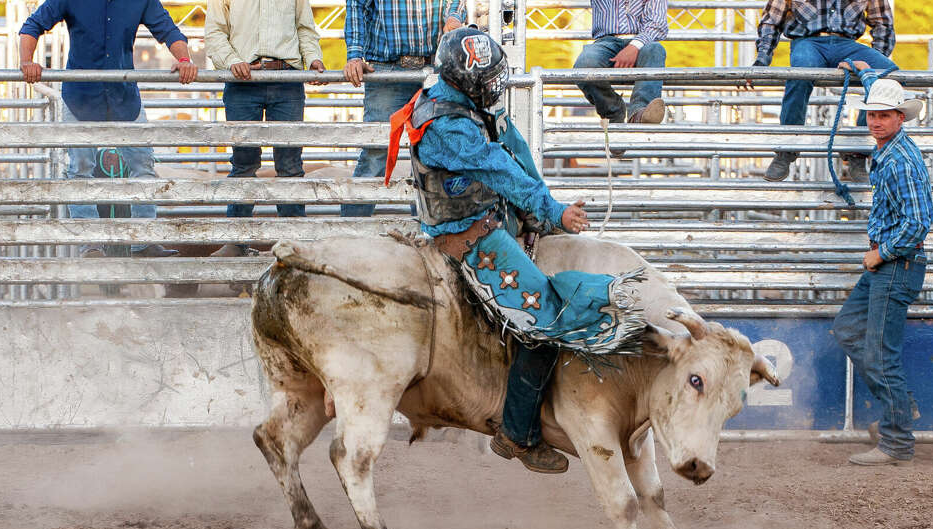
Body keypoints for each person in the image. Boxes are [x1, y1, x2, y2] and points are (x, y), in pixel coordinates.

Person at [386, 29, 646, 475]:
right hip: (469, 235)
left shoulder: (465, 104)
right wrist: (553, 210)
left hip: (489, 215)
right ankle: (518, 432)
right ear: (465, 80)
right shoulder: (448, 126)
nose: (493, 86)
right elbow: (499, 168)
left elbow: (515, 151)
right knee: (544, 321)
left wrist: (545, 211)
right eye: (486, 79)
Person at [18, 0, 199, 258]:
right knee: (80, 169)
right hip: (81, 96)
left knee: (143, 165)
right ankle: (90, 244)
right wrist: (27, 62)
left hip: (123, 96)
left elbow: (169, 31)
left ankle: (143, 240)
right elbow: (32, 25)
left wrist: (183, 59)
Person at [832, 65, 931, 466]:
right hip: (888, 264)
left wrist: (881, 253)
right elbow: (878, 93)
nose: (875, 121)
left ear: (900, 118)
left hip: (895, 263)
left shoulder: (901, 161)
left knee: (879, 350)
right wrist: (863, 72)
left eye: (884, 115)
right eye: (871, 114)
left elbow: (919, 222)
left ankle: (897, 442)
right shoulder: (889, 149)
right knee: (848, 330)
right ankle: (900, 410)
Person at [204, 0, 326, 258]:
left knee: (290, 165)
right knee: (243, 162)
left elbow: (305, 27)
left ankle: (294, 246)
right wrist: (233, 61)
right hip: (241, 80)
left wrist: (313, 58)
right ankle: (237, 242)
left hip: (287, 78)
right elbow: (215, 31)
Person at [340, 0, 465, 218]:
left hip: (435, 67)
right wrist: (354, 55)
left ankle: (428, 228)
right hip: (387, 68)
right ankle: (352, 229)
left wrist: (453, 17)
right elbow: (357, 6)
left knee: (434, 150)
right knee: (377, 149)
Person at [751, 0, 896, 183]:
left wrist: (876, 57)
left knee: (885, 74)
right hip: (808, 42)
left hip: (847, 44)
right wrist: (762, 59)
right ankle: (787, 148)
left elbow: (882, 21)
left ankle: (858, 150)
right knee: (800, 75)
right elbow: (772, 20)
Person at [573, 0, 668, 125]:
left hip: (644, 42)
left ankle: (640, 113)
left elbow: (657, 23)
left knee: (655, 50)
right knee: (584, 64)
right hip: (606, 42)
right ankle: (612, 110)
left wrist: (634, 46)